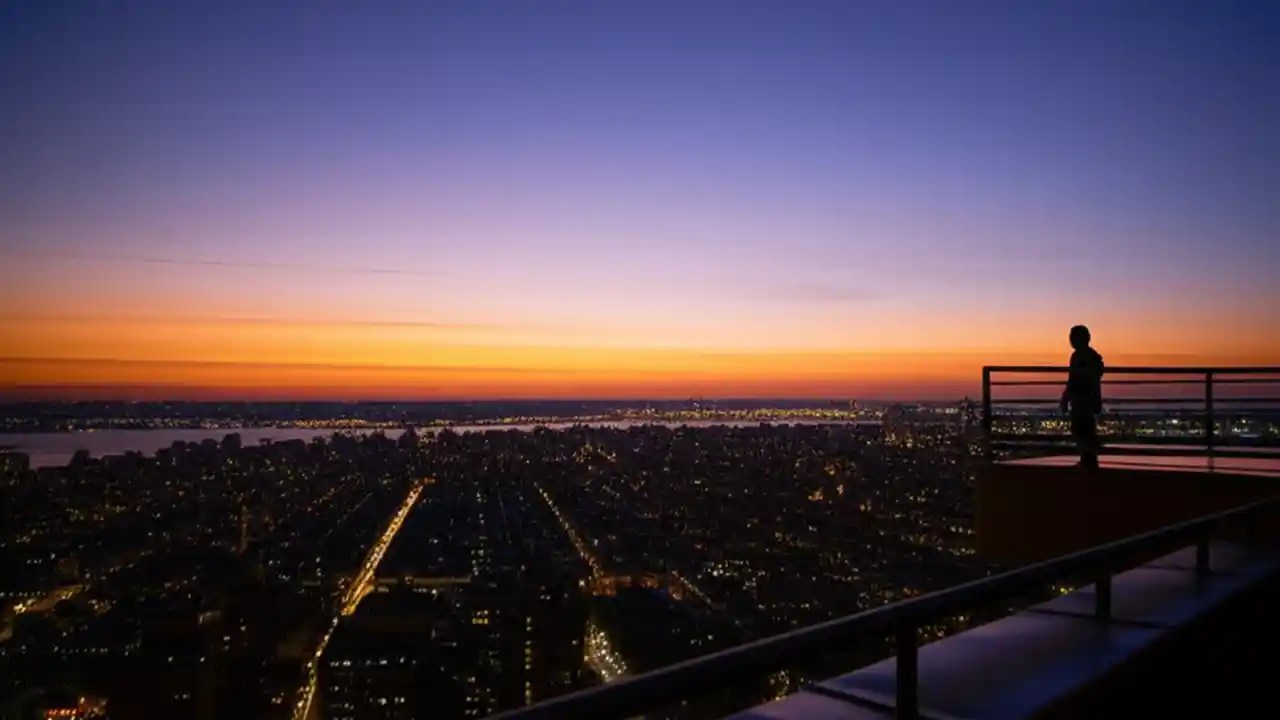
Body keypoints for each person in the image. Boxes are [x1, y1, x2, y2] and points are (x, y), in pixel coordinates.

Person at [1060, 325, 1104, 467]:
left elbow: (1075, 379)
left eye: (1073, 337)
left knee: (1082, 427)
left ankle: (1088, 459)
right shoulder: (1088, 356)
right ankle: (1088, 458)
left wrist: (1065, 398)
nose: (1071, 340)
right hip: (1083, 398)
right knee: (1083, 427)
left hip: (1082, 398)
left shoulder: (1084, 357)